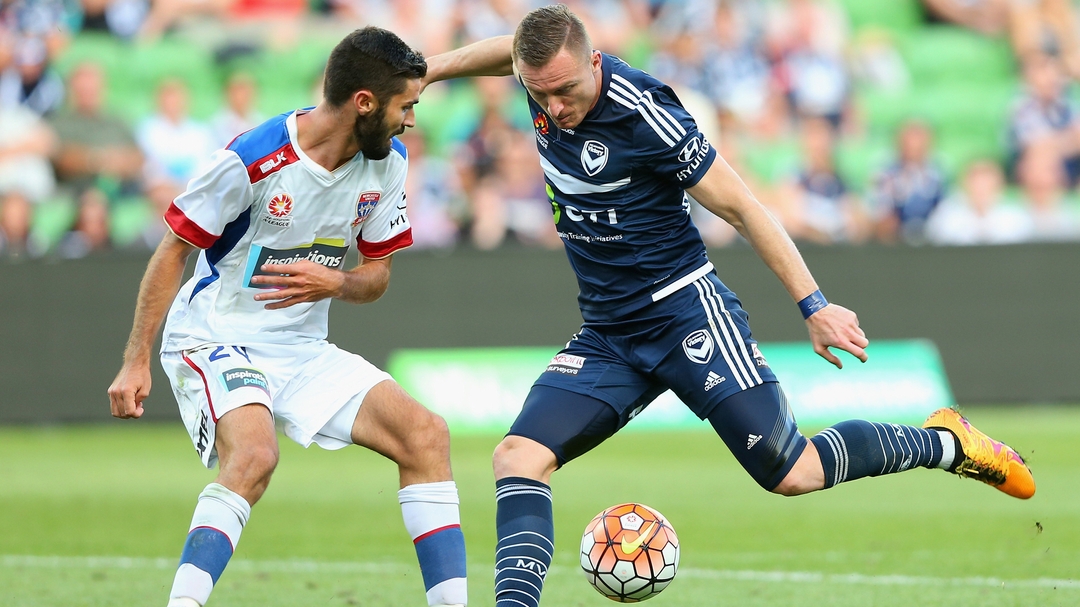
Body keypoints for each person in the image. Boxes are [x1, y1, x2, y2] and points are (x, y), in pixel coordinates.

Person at [422, 6, 1035, 607]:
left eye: (565, 90)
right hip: (609, 332)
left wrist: (813, 304)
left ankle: (945, 442)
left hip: (684, 315)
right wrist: (431, 69)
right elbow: (512, 47)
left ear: (595, 62)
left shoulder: (646, 114)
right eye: (539, 93)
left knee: (792, 472)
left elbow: (743, 207)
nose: (554, 107)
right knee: (518, 457)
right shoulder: (544, 76)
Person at [106, 27, 468, 607]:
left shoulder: (388, 164)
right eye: (405, 106)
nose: (411, 121)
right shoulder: (252, 159)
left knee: (426, 435)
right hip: (215, 335)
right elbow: (174, 248)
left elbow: (377, 275)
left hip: (300, 349)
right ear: (364, 102)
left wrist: (338, 282)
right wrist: (135, 359)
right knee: (254, 454)